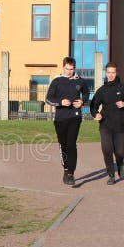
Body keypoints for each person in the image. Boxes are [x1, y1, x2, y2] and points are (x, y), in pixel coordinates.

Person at [90, 62, 124, 185]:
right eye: (109, 72)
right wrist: (96, 114)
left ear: (116, 73)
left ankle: (120, 163)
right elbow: (93, 105)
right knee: (107, 149)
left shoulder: (123, 88)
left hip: (121, 126)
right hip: (105, 125)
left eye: (113, 72)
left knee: (119, 152)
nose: (111, 75)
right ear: (106, 73)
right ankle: (111, 174)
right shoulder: (102, 90)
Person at [46, 57, 89, 185]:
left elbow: (86, 94)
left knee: (71, 144)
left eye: (71, 69)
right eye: (67, 69)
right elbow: (48, 99)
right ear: (63, 67)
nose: (69, 72)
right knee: (63, 145)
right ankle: (65, 169)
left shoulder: (80, 81)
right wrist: (60, 102)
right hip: (60, 118)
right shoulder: (56, 81)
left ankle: (71, 174)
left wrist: (82, 102)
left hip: (75, 117)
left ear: (74, 68)